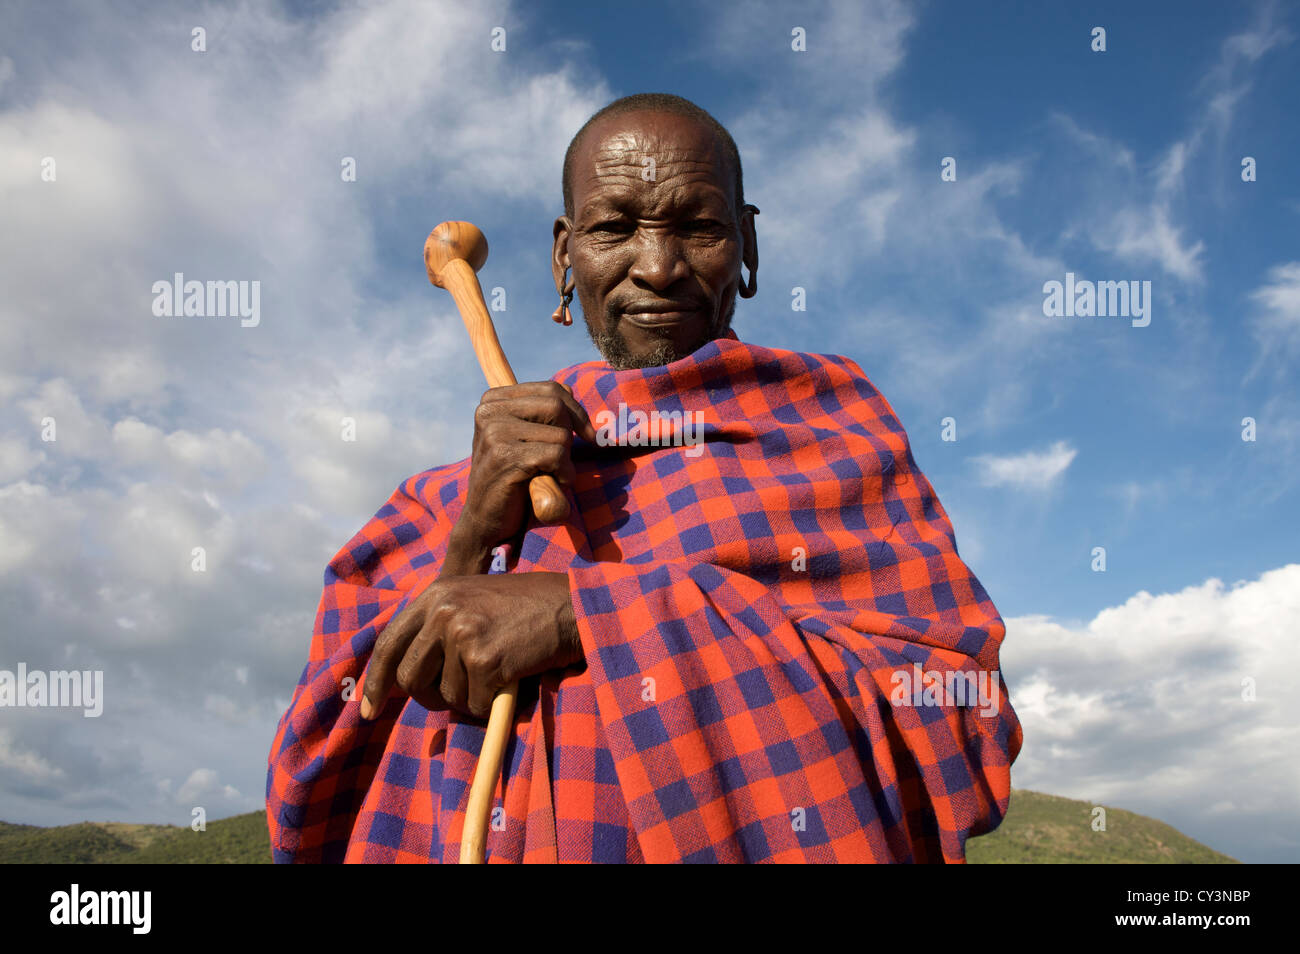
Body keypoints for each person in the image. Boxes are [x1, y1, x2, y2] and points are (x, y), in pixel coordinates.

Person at [266, 92, 1022, 863]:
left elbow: (964, 727)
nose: (658, 268)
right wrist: (468, 547)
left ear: (747, 244)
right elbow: (305, 784)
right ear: (566, 256)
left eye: (698, 226)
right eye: (614, 227)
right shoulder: (438, 502)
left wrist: (583, 615)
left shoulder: (827, 431)